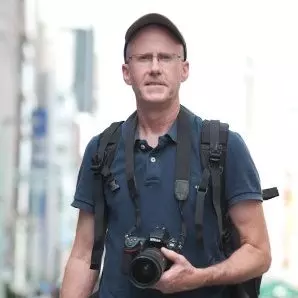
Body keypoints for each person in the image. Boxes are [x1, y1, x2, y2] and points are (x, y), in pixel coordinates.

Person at [60, 13, 272, 298]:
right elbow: (83, 256)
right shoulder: (102, 150)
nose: (155, 68)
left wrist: (200, 277)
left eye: (166, 58)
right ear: (126, 72)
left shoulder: (222, 147)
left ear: (184, 70)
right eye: (144, 58)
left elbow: (259, 252)